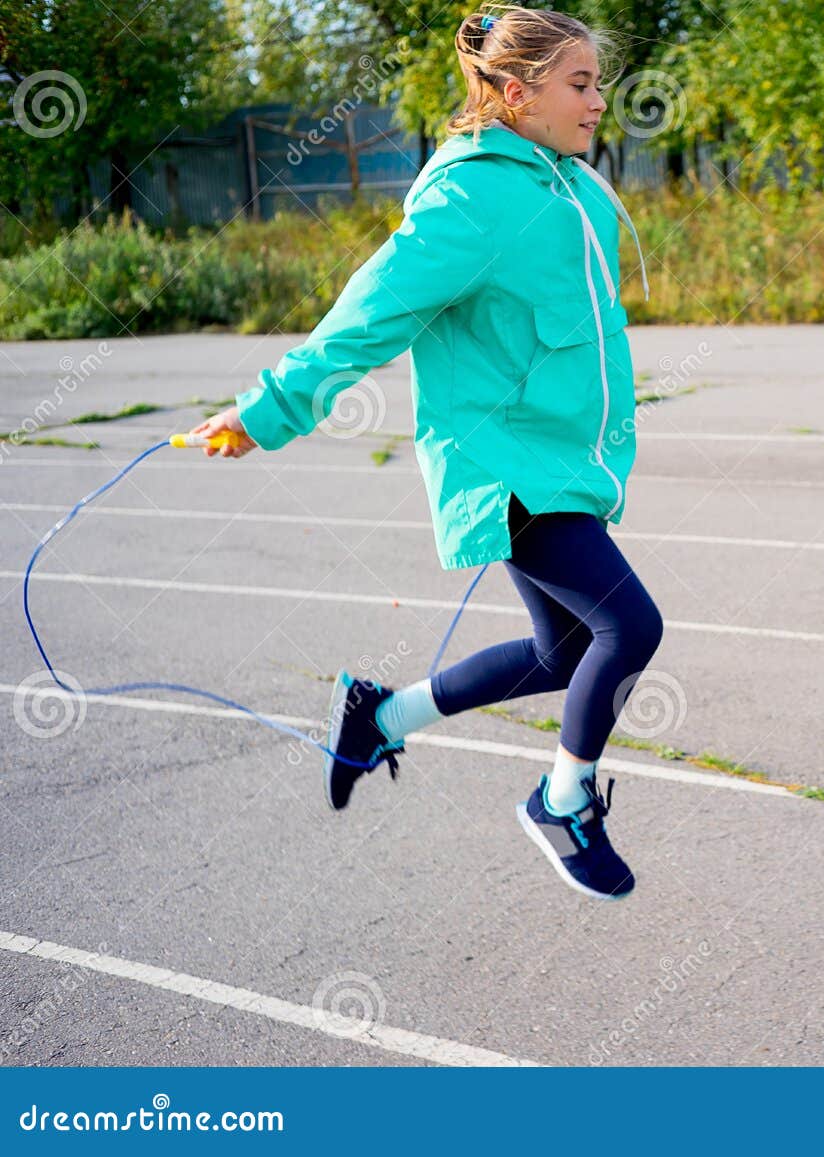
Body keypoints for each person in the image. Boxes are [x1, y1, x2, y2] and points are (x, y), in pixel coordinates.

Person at [189, 7, 660, 898]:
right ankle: (562, 802)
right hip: (506, 468)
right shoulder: (468, 198)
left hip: (563, 462)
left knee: (561, 654)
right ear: (517, 94)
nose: (600, 100)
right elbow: (371, 315)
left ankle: (381, 715)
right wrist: (265, 410)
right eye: (580, 83)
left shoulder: (566, 184)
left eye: (599, 81)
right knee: (630, 627)